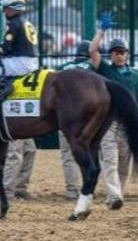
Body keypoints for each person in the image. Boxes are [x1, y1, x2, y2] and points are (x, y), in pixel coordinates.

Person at [90, 35, 138, 210]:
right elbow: (93, 51)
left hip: (129, 124)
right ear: (110, 55)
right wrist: (101, 32)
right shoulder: (105, 70)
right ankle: (114, 194)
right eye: (115, 52)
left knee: (124, 164)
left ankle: (117, 194)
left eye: (122, 52)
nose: (119, 55)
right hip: (108, 123)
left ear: (127, 54)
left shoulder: (135, 76)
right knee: (110, 161)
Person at [57, 41, 94, 200]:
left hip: (65, 117)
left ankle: (72, 190)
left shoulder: (63, 67)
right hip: (89, 118)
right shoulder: (93, 67)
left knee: (68, 155)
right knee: (91, 152)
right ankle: (89, 187)